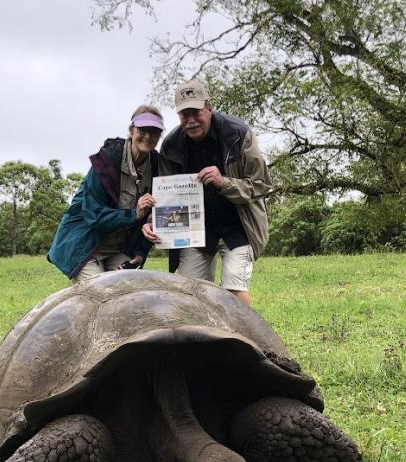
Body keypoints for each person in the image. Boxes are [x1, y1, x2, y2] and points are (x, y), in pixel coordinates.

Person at [142, 79, 271, 304]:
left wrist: (224, 182)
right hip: (196, 230)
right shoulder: (171, 145)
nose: (191, 121)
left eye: (196, 112)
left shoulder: (238, 134)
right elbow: (166, 196)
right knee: (189, 294)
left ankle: (240, 339)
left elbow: (261, 184)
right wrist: (154, 221)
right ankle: (202, 339)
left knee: (234, 289)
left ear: (209, 108)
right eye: (185, 114)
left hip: (239, 224)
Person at [48, 105, 164, 281]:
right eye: (143, 129)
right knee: (100, 288)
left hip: (120, 249)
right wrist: (134, 214)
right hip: (86, 246)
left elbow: (153, 218)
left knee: (132, 288)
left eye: (154, 131)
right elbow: (93, 215)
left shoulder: (157, 166)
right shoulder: (106, 161)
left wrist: (140, 253)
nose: (148, 136)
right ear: (132, 130)